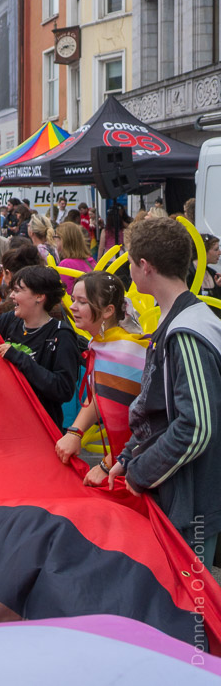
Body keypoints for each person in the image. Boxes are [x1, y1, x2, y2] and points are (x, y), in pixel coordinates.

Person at [109, 217, 221, 563]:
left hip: (193, 503)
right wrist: (129, 456)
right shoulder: (181, 318)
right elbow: (159, 409)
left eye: (131, 261)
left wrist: (142, 472)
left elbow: (196, 427)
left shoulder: (187, 331)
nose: (129, 270)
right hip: (183, 492)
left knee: (193, 594)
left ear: (145, 266)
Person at [55, 271, 147, 487]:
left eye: (82, 302)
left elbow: (135, 424)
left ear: (108, 310)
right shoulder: (105, 343)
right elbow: (100, 394)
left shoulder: (123, 352)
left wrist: (107, 465)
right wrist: (75, 432)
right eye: (73, 299)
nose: (72, 307)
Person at [0, 265, 84, 429]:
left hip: (40, 429)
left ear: (39, 296)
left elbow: (63, 389)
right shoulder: (7, 321)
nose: (12, 295)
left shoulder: (61, 335)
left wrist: (20, 359)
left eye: (18, 290)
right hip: (3, 422)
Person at [54, 221, 95, 294]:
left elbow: (65, 294)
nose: (54, 239)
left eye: (55, 237)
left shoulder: (66, 264)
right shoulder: (91, 260)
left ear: (63, 239)